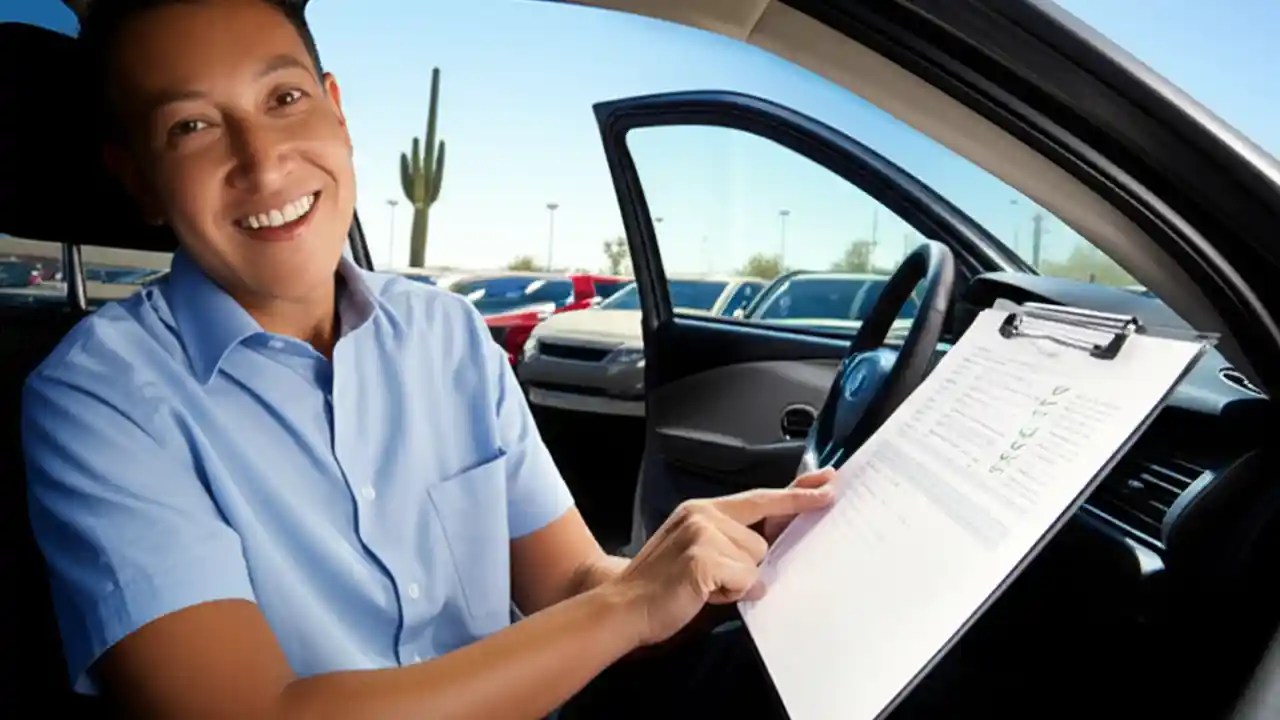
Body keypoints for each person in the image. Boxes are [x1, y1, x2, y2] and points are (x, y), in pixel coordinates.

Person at [20, 1, 837, 718]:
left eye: (285, 98)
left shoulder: (447, 334)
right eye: (191, 126)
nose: (263, 160)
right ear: (140, 183)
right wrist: (628, 604)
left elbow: (569, 590)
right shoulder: (100, 398)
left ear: (336, 112)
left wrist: (707, 566)